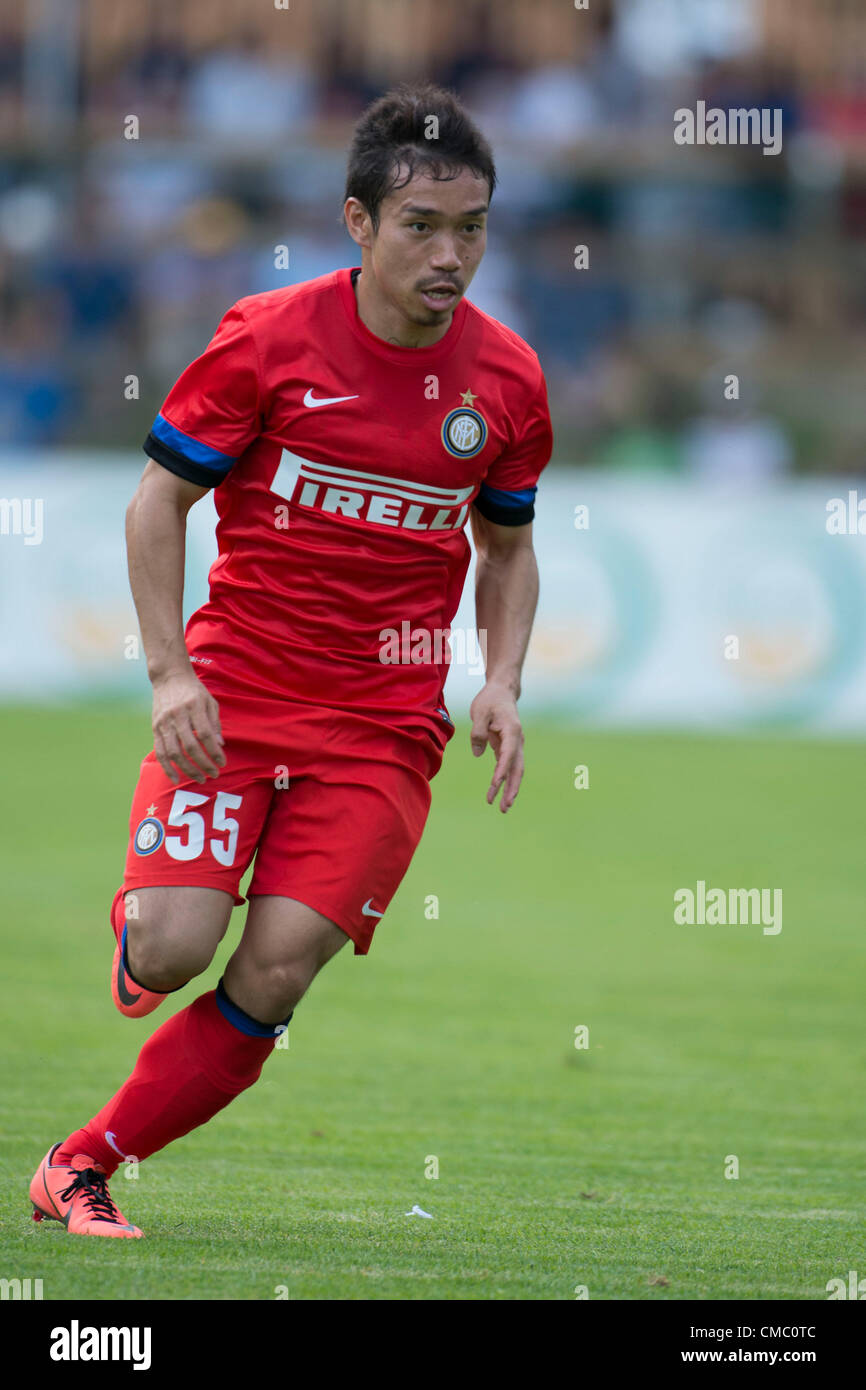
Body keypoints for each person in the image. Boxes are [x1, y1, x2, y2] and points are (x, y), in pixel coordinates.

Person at [29, 82, 553, 1238]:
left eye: (470, 228)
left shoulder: (507, 380)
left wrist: (501, 679)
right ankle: (151, 925)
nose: (449, 253)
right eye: (421, 225)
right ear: (357, 223)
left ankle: (82, 1162)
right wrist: (171, 674)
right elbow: (157, 502)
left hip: (378, 727)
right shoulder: (266, 340)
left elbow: (505, 549)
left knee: (273, 973)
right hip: (238, 698)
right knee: (171, 953)